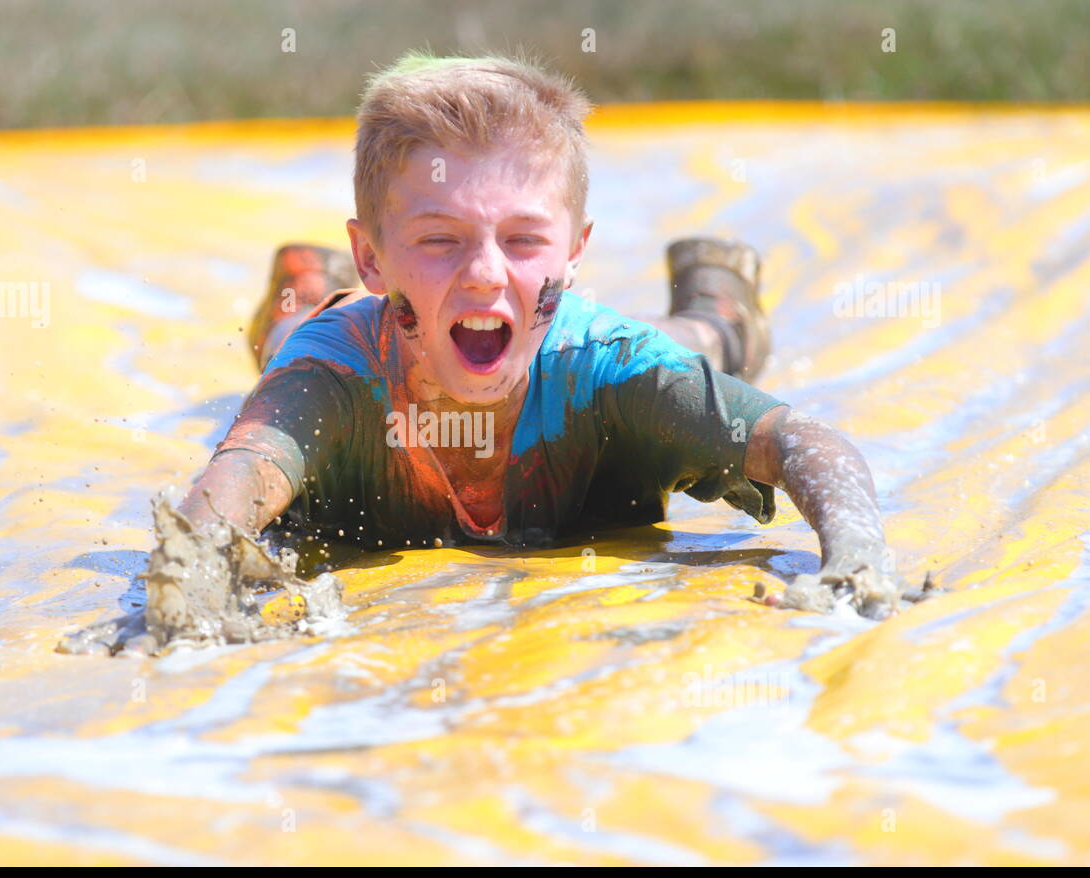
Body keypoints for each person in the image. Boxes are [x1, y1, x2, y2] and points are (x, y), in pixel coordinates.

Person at [179, 52, 922, 619]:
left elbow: (803, 442)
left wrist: (855, 562)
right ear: (374, 256)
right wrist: (190, 600)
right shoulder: (331, 378)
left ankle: (719, 294)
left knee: (699, 338)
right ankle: (310, 279)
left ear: (576, 250)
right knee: (290, 333)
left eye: (524, 239)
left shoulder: (609, 364)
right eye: (440, 238)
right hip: (339, 335)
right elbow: (220, 501)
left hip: (593, 344)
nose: (483, 273)